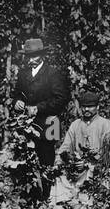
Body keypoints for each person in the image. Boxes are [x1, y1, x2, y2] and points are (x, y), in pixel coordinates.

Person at [12, 37, 70, 168]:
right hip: (27, 124)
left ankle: (48, 188)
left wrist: (39, 108)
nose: (30, 60)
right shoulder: (23, 73)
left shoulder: (53, 73)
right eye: (28, 57)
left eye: (34, 56)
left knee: (47, 161)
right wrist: (17, 101)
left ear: (42, 55)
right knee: (27, 162)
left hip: (49, 123)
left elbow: (62, 98)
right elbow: (17, 93)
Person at [57, 91, 110, 164]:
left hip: (99, 167)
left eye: (90, 106)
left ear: (97, 107)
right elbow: (66, 147)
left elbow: (109, 151)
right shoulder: (75, 124)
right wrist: (58, 163)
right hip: (78, 167)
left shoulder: (106, 124)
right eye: (84, 106)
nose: (86, 109)